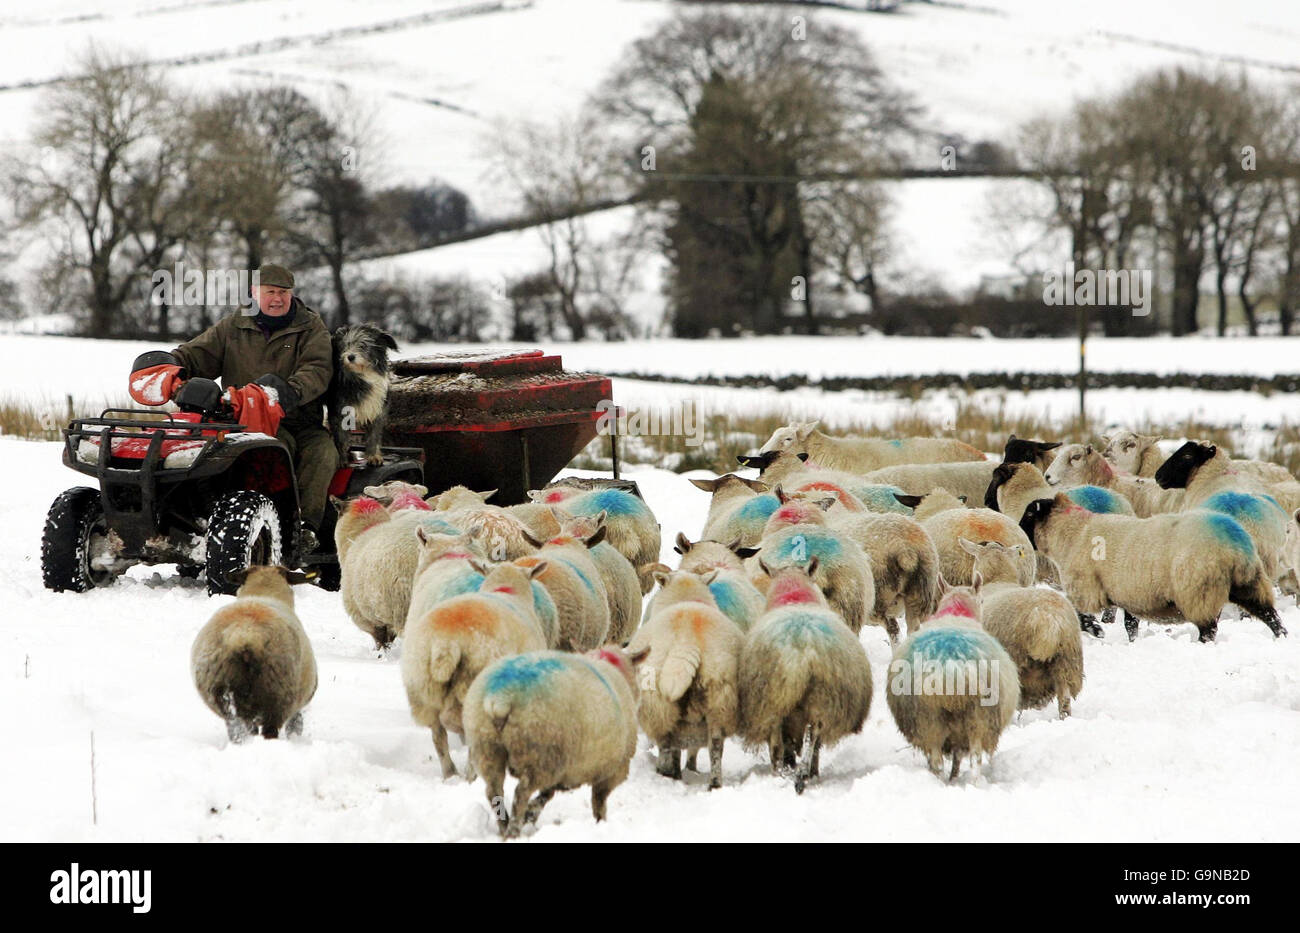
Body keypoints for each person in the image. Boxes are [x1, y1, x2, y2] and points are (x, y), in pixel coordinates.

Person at [127, 263, 337, 552]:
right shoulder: (235, 325)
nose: (277, 299)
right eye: (270, 292)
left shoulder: (311, 328)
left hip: (293, 419)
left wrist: (284, 393)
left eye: (284, 292)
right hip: (233, 419)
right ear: (254, 292)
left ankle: (303, 528)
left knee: (321, 451)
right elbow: (197, 354)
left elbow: (318, 370)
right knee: (186, 451)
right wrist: (169, 365)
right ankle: (179, 516)